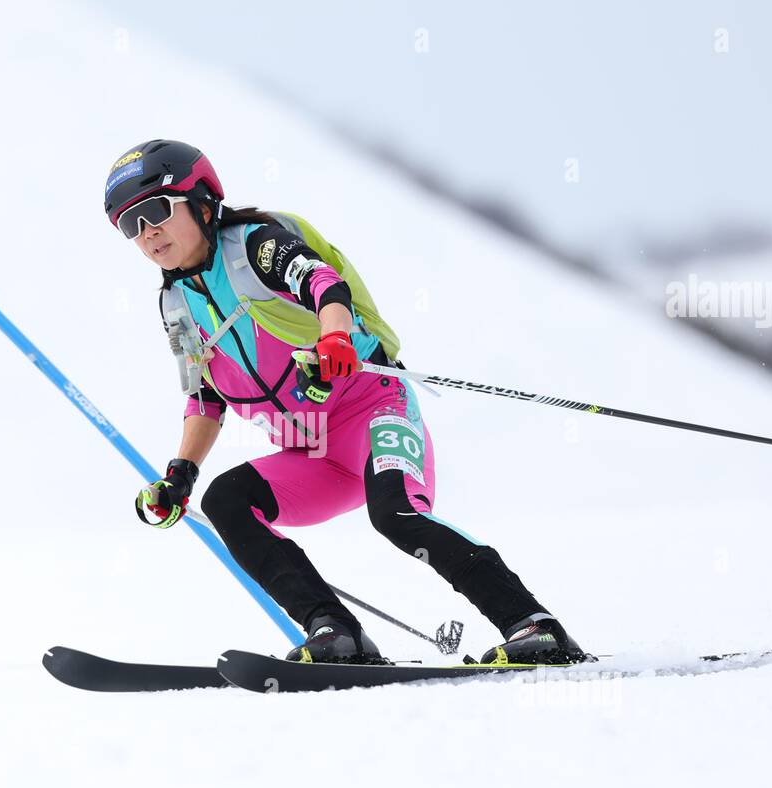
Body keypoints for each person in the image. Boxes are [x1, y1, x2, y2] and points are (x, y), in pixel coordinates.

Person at [105, 139, 591, 667]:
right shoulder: (175, 303)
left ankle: (534, 626)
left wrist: (334, 339)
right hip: (314, 452)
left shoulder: (253, 247)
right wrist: (179, 477)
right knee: (226, 500)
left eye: (155, 211)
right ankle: (336, 633)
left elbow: (323, 283)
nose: (146, 232)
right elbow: (205, 396)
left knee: (397, 514)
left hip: (374, 411)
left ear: (201, 203)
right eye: (130, 225)